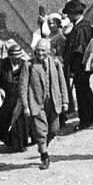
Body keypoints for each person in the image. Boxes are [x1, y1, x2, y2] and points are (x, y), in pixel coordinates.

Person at [26, 39, 69, 171]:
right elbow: (23, 87)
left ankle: (43, 145)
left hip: (53, 102)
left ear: (48, 51)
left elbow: (62, 82)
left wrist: (65, 101)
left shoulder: (55, 63)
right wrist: (25, 106)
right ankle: (44, 156)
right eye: (38, 50)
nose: (40, 53)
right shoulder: (29, 65)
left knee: (54, 129)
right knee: (41, 130)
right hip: (37, 102)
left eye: (43, 50)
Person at [62, 1, 93, 128]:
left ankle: (86, 120)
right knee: (85, 91)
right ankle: (92, 116)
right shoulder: (83, 25)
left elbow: (79, 50)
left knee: (81, 92)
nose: (68, 17)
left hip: (81, 66)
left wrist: (74, 68)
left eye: (69, 14)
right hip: (83, 66)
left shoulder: (81, 28)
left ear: (74, 14)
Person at [0, 42, 31, 153]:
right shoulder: (2, 64)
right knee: (6, 119)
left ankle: (21, 144)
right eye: (14, 57)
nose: (16, 60)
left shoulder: (25, 64)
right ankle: (9, 143)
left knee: (20, 121)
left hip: (20, 96)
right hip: (7, 97)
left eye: (18, 57)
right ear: (9, 56)